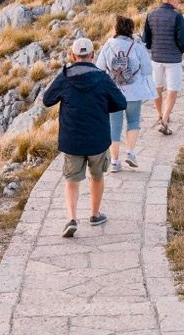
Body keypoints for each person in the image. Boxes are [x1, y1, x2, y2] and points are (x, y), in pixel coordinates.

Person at [42, 37, 127, 237]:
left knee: (72, 180)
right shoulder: (102, 78)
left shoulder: (65, 77)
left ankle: (71, 219)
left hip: (72, 140)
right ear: (92, 55)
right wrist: (102, 106)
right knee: (97, 177)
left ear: (73, 56)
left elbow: (47, 100)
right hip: (98, 139)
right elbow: (120, 102)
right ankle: (95, 215)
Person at [94, 14, 156, 171]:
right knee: (133, 122)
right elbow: (147, 69)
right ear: (131, 29)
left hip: (113, 93)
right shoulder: (137, 46)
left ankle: (115, 162)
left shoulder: (108, 45)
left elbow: (99, 68)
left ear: (116, 28)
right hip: (133, 92)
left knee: (114, 127)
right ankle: (130, 153)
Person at [142, 0, 184, 135]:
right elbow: (182, 40)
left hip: (156, 58)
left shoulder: (151, 14)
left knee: (157, 87)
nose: (179, 2)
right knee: (172, 89)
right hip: (173, 59)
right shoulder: (177, 16)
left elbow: (146, 39)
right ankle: (165, 119)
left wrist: (154, 48)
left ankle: (160, 114)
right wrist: (180, 51)